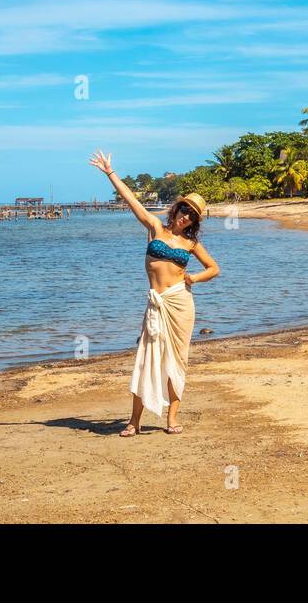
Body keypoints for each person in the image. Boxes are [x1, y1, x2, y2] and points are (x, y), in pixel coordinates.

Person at [88, 150, 219, 435]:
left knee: (177, 360)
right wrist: (110, 172)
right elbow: (131, 200)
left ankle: (172, 418)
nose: (186, 216)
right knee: (146, 357)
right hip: (156, 303)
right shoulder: (155, 227)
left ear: (195, 221)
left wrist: (193, 278)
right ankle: (133, 421)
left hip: (180, 304)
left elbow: (214, 269)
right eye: (185, 210)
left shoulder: (191, 244)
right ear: (177, 209)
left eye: (192, 215)